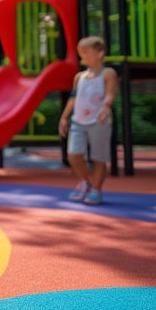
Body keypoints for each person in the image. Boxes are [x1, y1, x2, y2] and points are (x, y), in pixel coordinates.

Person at [58, 36, 118, 205]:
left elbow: (111, 93)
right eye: (80, 52)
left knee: (99, 158)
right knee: (73, 155)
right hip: (78, 121)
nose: (82, 56)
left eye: (85, 52)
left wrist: (106, 106)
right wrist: (64, 117)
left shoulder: (108, 73)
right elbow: (73, 98)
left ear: (100, 53)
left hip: (99, 121)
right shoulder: (80, 77)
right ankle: (86, 182)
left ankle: (97, 190)